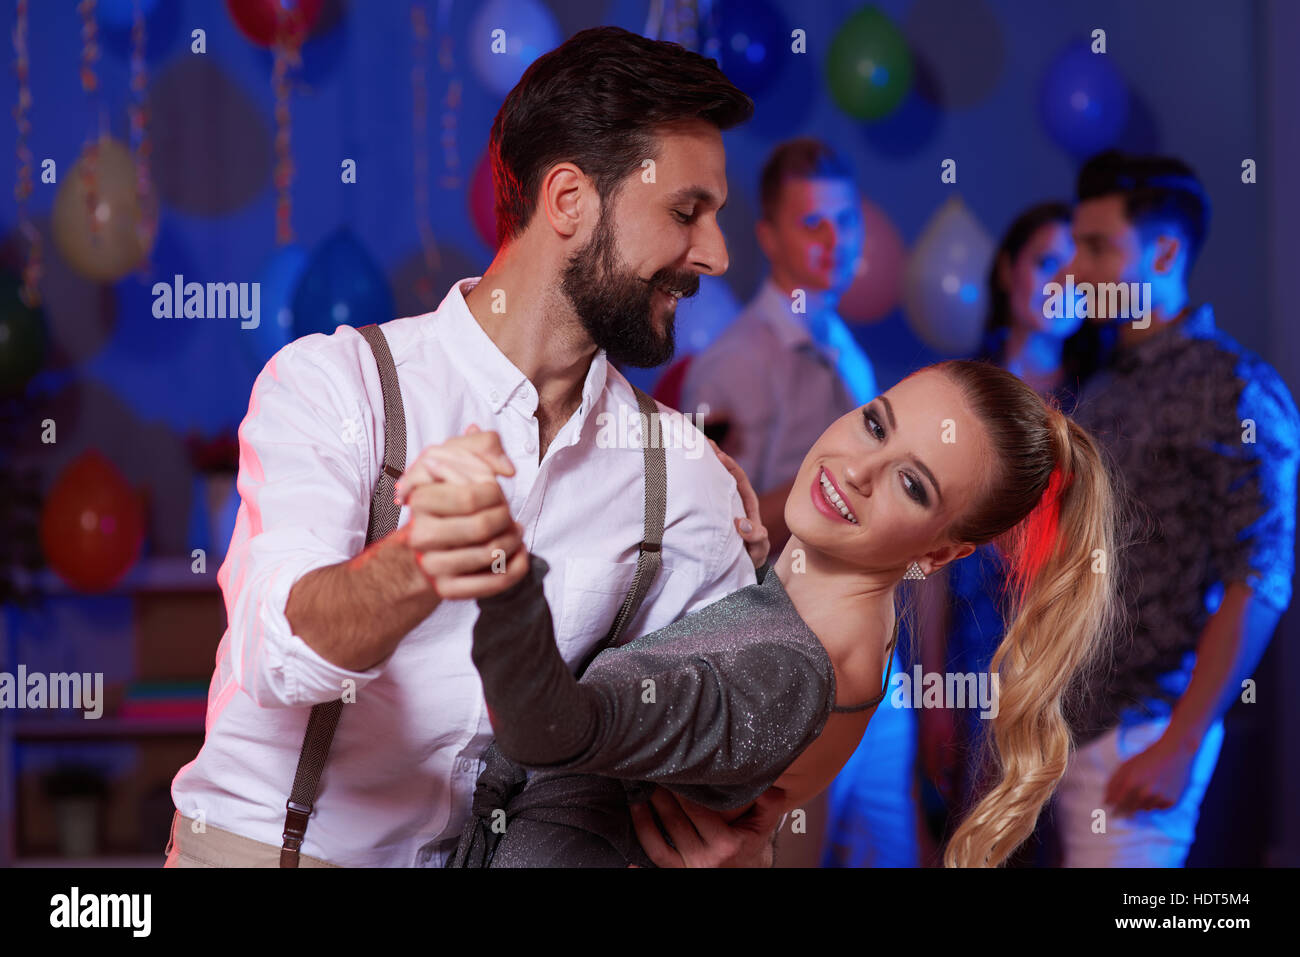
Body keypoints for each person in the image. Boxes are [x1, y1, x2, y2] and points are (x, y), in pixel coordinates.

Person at [164, 26, 779, 868]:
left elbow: (733, 707)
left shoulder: (680, 473)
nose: (715, 254)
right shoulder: (340, 383)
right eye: (684, 213)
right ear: (569, 200)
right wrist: (419, 560)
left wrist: (728, 828)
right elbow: (279, 656)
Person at [434, 359, 1125, 869]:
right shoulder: (845, 623)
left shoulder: (787, 669)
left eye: (912, 484)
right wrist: (739, 560)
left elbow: (548, 730)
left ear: (943, 552)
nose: (857, 468)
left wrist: (498, 559)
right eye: (875, 423)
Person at [1053, 150, 1300, 866]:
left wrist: (1181, 742)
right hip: (1080, 720)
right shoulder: (1104, 383)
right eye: (1077, 246)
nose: (1079, 269)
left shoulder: (1235, 387)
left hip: (1146, 730)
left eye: (1099, 246)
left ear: (1164, 250)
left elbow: (1263, 576)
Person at [678, 139, 896, 866]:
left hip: (876, 649)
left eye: (847, 222)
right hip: (794, 656)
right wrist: (835, 498)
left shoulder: (844, 346)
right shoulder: (736, 360)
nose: (836, 242)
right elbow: (706, 524)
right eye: (813, 225)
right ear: (768, 235)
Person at [918, 202, 1093, 863]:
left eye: (1079, 269)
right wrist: (932, 690)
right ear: (1006, 270)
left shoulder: (1102, 399)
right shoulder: (964, 395)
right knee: (984, 843)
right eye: (1048, 262)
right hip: (971, 660)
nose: (1062, 283)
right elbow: (929, 557)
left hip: (1071, 671)